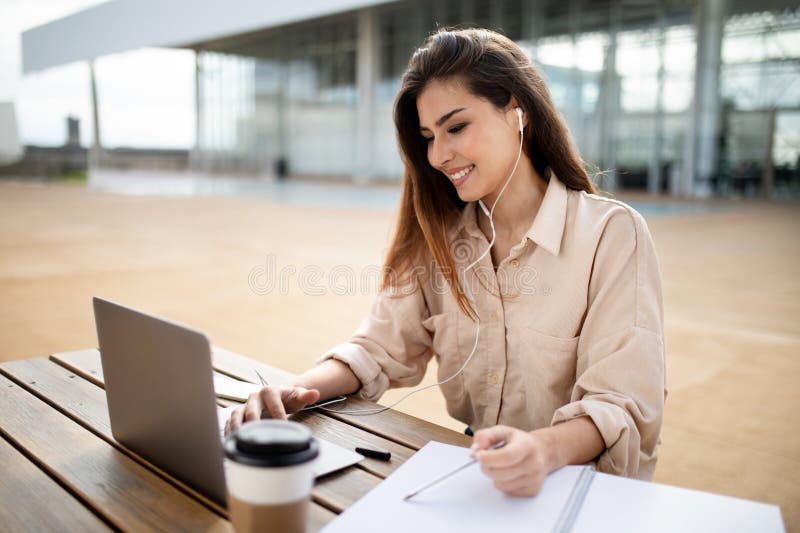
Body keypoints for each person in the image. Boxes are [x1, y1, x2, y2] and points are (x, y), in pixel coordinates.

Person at [226, 28, 666, 497]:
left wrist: (542, 450)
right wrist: (293, 391)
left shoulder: (610, 234)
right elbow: (378, 348)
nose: (437, 155)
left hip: (581, 491)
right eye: (428, 137)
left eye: (456, 128)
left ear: (517, 110)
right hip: (483, 483)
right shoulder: (438, 236)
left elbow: (619, 404)